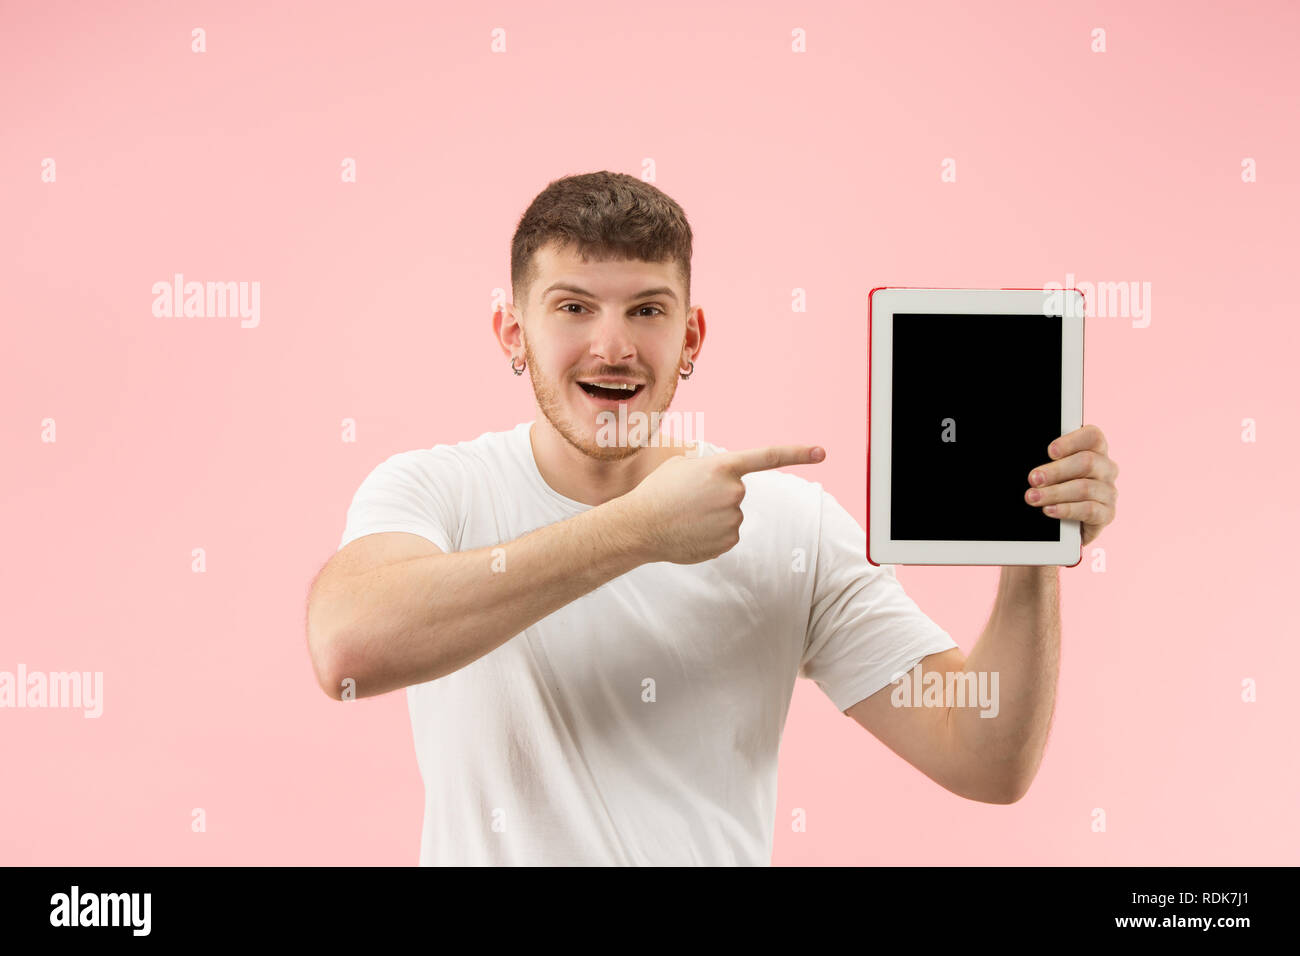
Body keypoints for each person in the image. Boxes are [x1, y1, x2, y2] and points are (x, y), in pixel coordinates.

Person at [305, 170, 1120, 865]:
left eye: (648, 311)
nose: (614, 346)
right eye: (574, 308)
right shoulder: (436, 491)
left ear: (692, 338)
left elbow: (983, 757)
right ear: (511, 333)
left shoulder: (789, 526)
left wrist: (1035, 545)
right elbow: (347, 647)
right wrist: (636, 532)